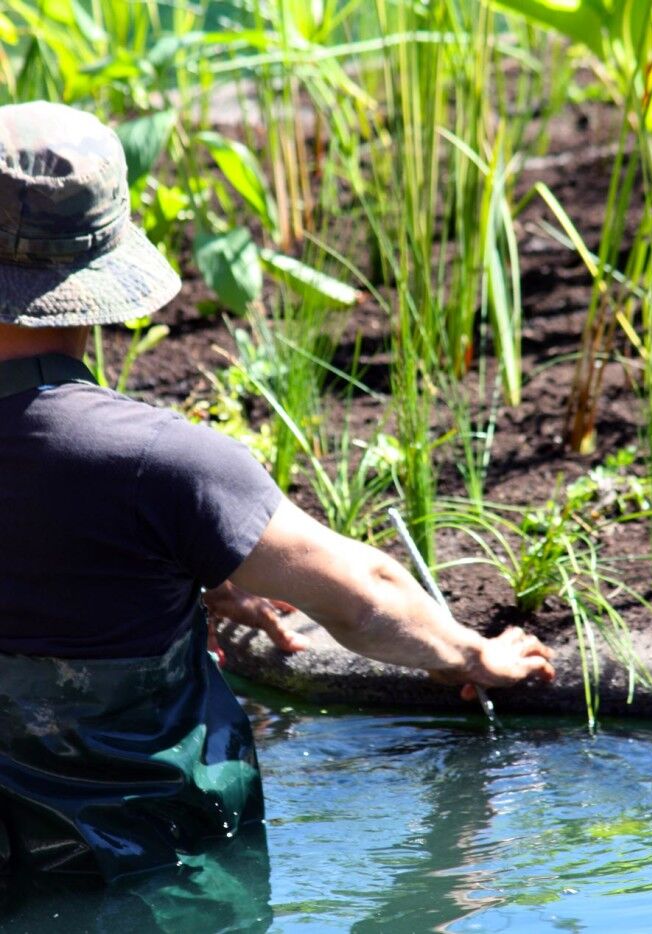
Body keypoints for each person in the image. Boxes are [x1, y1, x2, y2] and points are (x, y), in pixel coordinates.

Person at [0, 101, 554, 882]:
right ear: (98, 270)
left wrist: (173, 581)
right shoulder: (159, 464)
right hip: (152, 877)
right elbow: (362, 598)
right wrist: (472, 653)